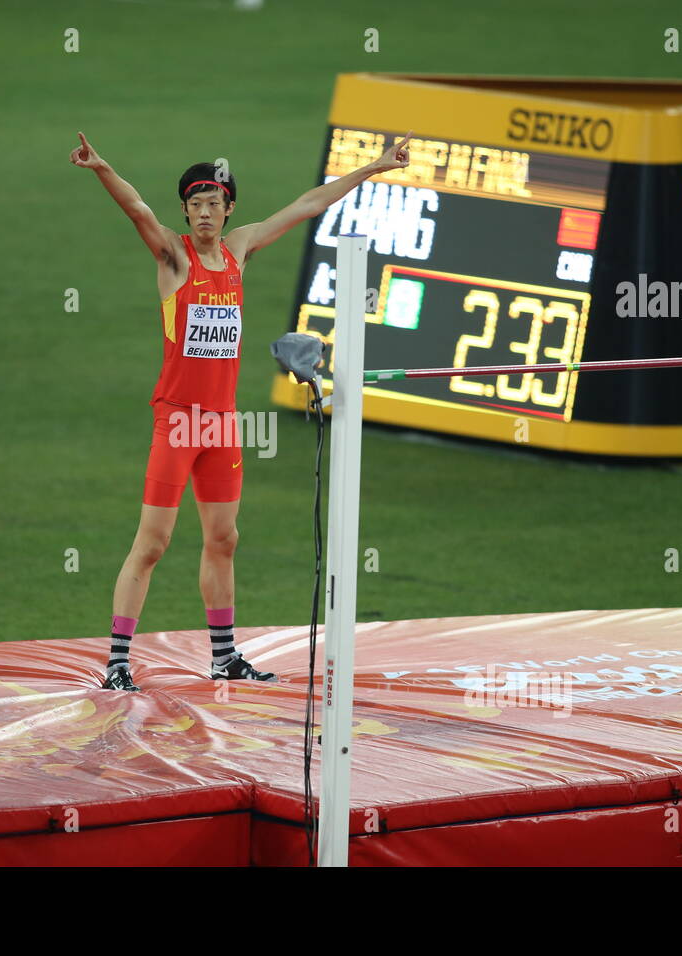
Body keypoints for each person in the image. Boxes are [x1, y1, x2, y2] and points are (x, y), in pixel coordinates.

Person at [70, 130, 412, 691]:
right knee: (153, 543)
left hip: (222, 423)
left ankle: (224, 657)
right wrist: (101, 167)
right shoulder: (172, 256)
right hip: (177, 420)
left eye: (214, 204)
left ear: (229, 210)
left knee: (224, 540)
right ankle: (117, 662)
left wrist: (373, 167)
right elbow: (136, 208)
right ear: (185, 210)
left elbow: (307, 205)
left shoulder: (241, 249)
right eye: (195, 204)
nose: (204, 213)